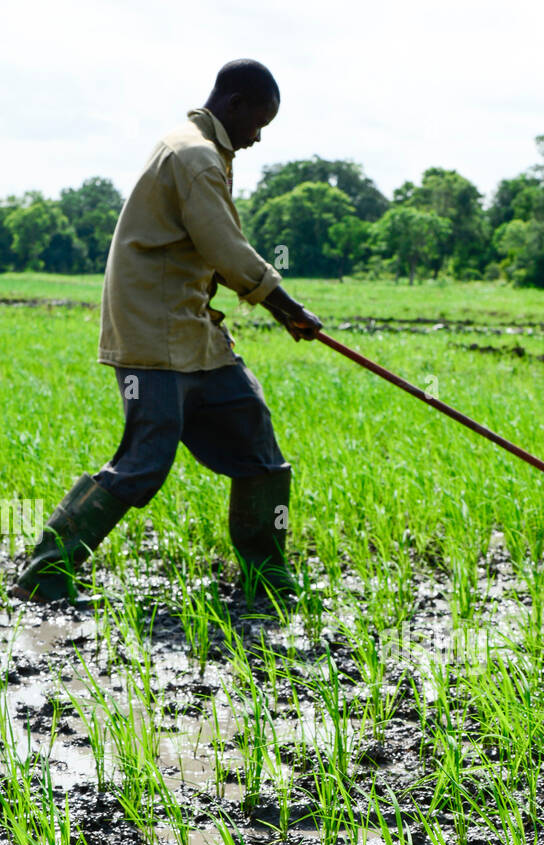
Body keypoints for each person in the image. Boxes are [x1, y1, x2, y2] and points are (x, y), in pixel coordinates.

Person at [13, 58, 321, 604]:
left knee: (259, 449)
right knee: (142, 463)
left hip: (195, 331)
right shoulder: (195, 156)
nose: (256, 140)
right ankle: (46, 572)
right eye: (257, 125)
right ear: (234, 105)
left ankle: (266, 574)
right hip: (152, 336)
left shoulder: (202, 151)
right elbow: (224, 248)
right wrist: (284, 305)